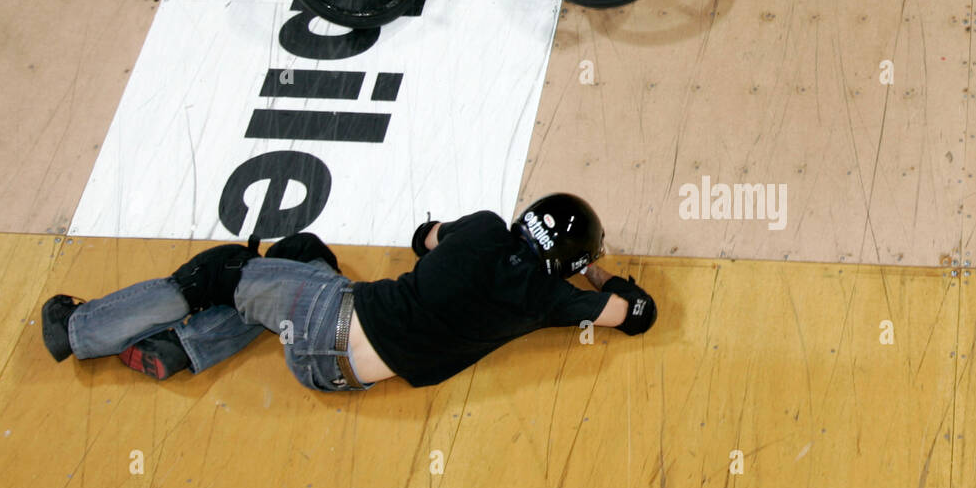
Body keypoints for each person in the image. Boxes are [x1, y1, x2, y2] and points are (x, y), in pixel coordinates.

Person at [41, 194, 657, 393]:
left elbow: (423, 239)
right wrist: (593, 275)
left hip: (326, 316)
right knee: (305, 258)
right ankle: (184, 348)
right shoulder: (553, 301)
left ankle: (78, 330)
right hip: (336, 379)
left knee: (221, 273)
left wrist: (449, 241)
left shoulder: (487, 230)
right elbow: (638, 315)